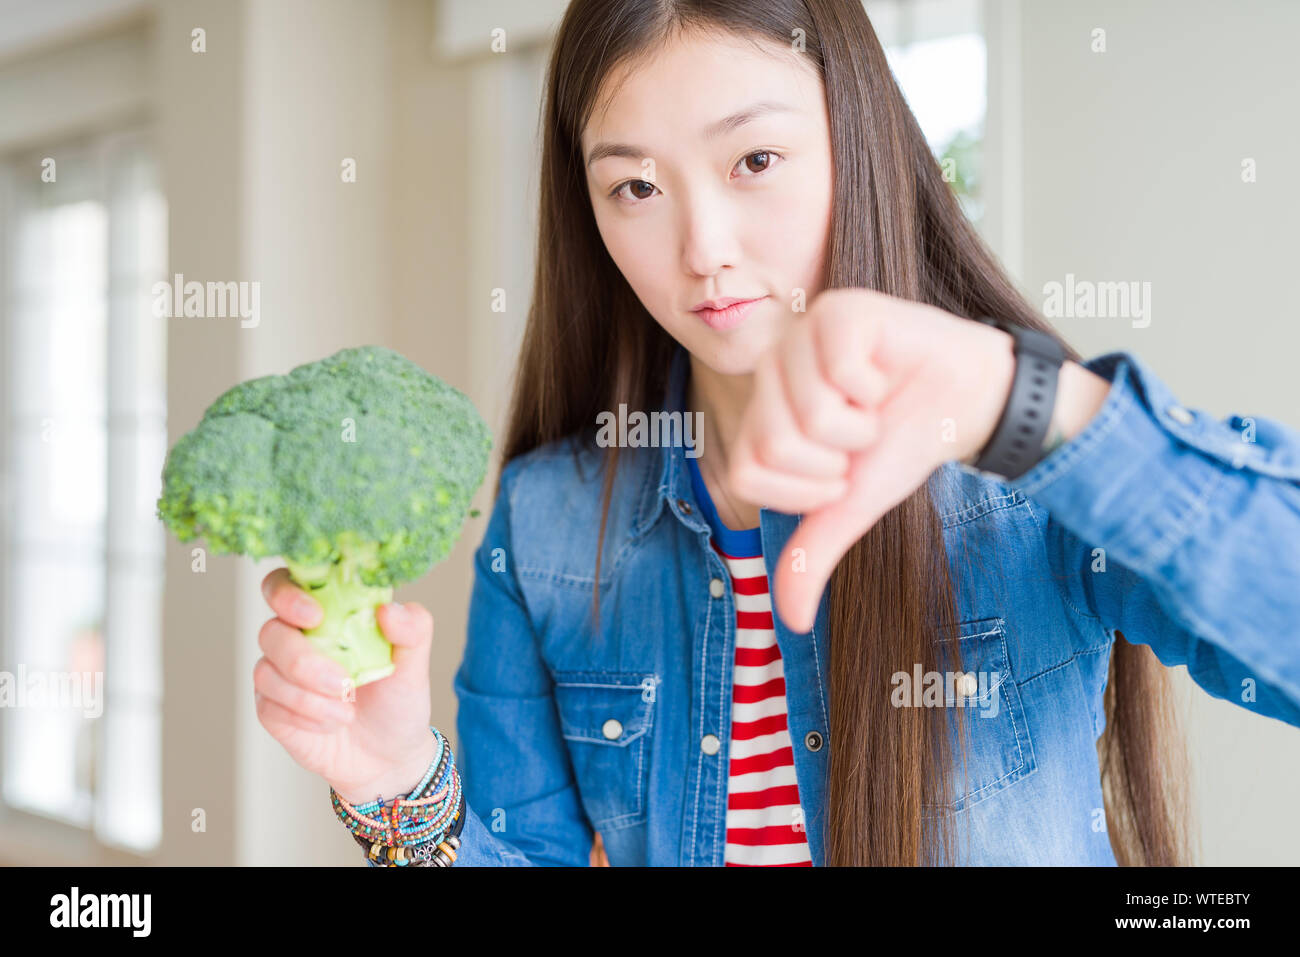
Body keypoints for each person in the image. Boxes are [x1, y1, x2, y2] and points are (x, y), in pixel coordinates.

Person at [253, 0, 1300, 866]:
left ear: (861, 142)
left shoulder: (1027, 476)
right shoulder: (547, 521)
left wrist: (1025, 406)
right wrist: (394, 781)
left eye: (754, 159)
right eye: (635, 187)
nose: (703, 248)